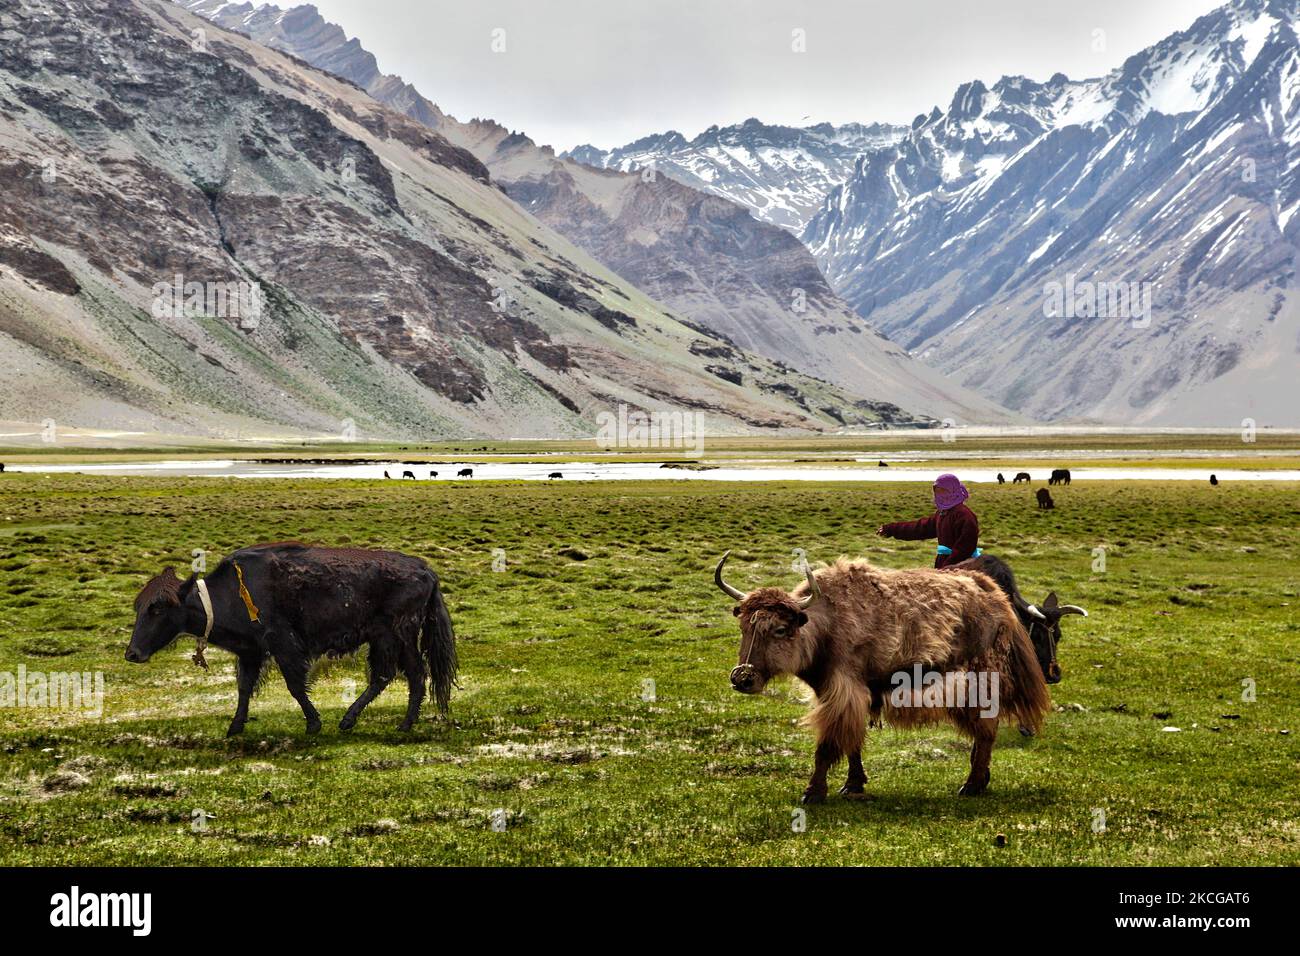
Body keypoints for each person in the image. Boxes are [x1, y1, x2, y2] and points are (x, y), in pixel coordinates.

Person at [876, 473, 980, 568]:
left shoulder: (964, 515)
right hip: (944, 565)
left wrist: (948, 567)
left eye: (943, 491)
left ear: (953, 490)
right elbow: (919, 528)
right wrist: (890, 529)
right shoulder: (942, 513)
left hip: (962, 567)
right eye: (938, 491)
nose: (940, 495)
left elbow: (965, 547)